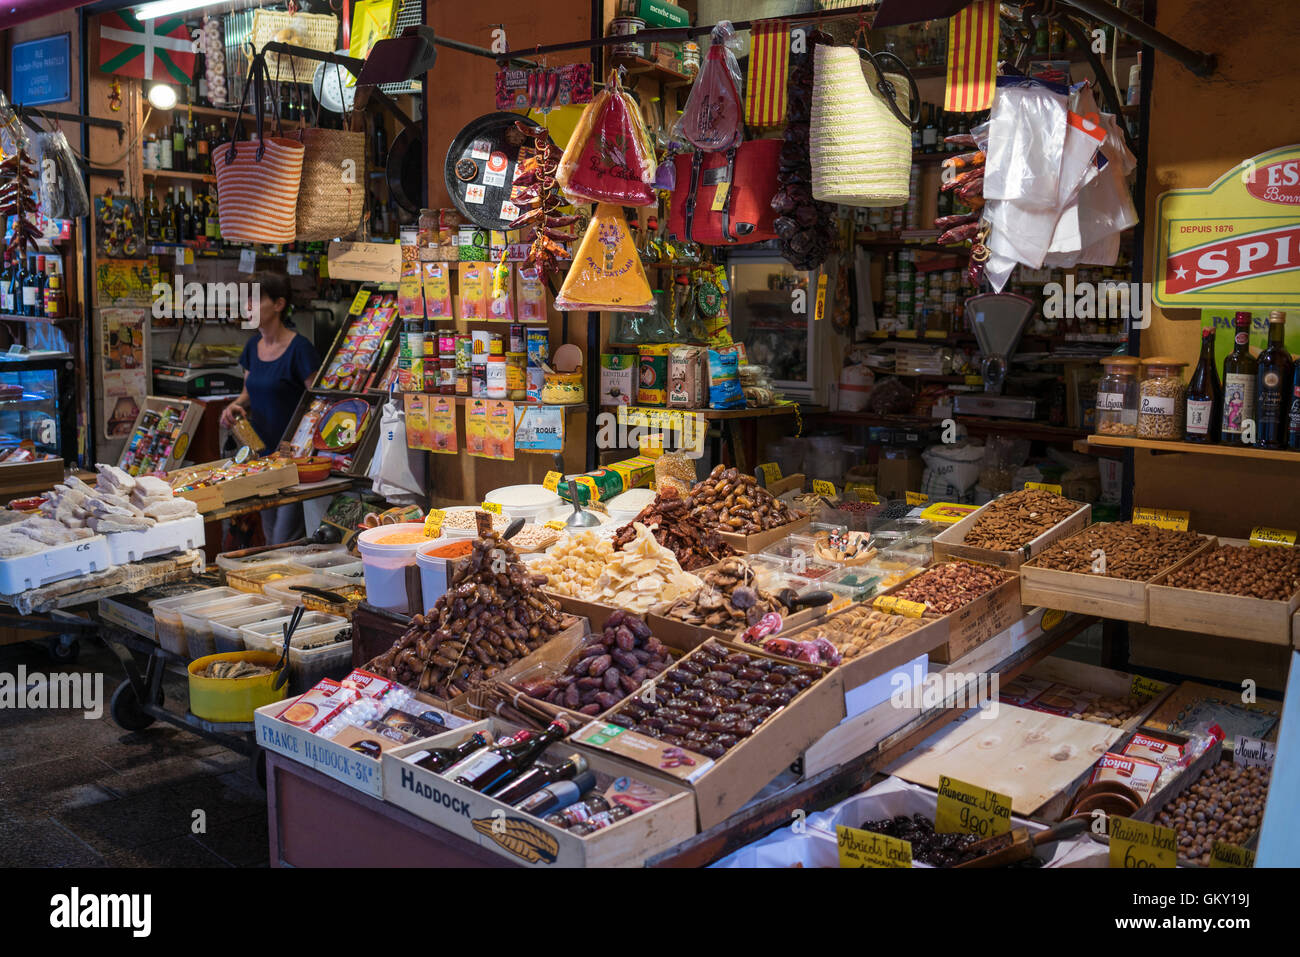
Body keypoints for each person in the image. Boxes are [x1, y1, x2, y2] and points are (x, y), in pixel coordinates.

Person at [220, 271, 320, 544]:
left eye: (254, 300)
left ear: (278, 304)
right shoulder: (253, 347)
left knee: (284, 539)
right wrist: (234, 407)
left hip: (292, 461)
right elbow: (247, 393)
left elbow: (319, 403)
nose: (247, 306)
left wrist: (302, 446)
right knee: (269, 535)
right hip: (261, 460)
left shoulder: (300, 349)